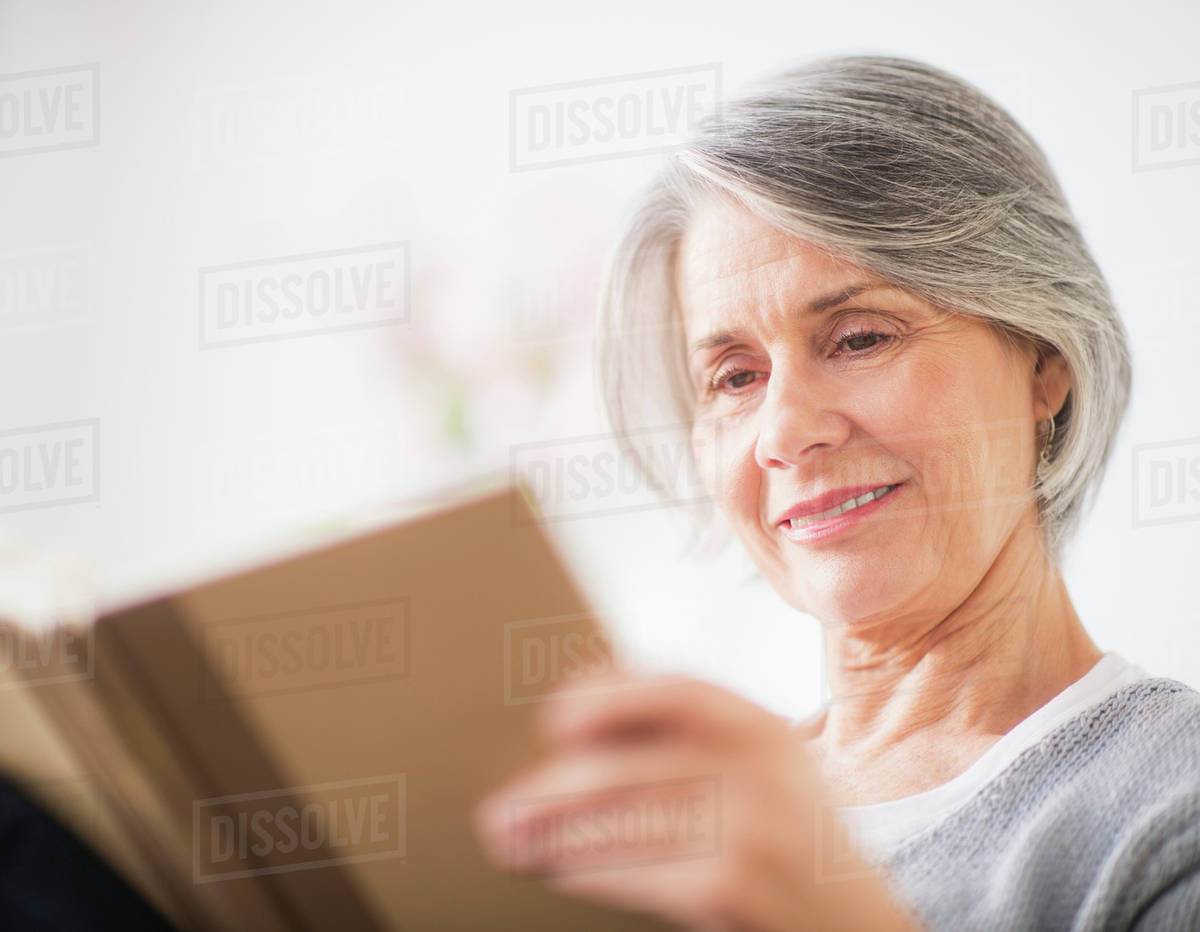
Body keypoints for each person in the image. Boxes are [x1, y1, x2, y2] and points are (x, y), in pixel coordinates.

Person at [474, 55, 1200, 930]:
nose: (783, 431)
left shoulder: (1170, 805)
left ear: (1044, 366)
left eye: (859, 338)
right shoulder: (671, 828)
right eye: (734, 377)